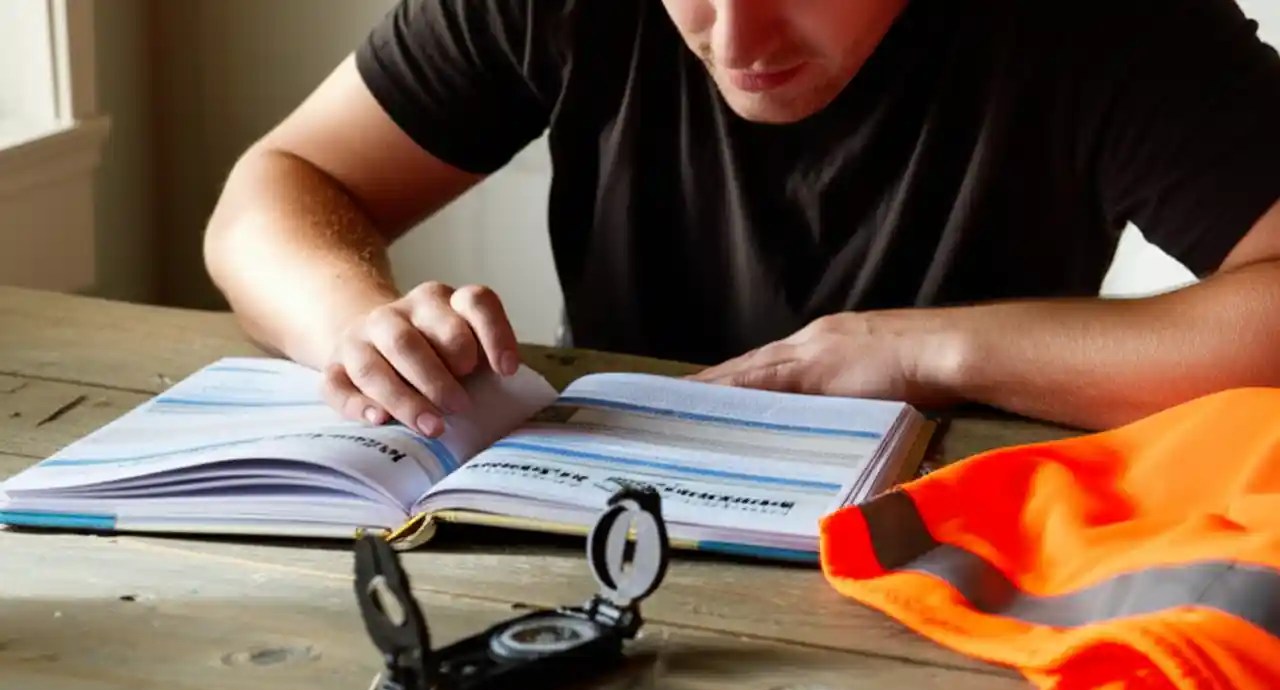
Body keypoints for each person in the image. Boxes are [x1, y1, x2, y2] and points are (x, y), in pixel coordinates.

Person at [204, 0, 1280, 438]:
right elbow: (282, 182)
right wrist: (355, 321)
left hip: (967, 536)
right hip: (601, 516)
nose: (735, 37)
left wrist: (931, 350)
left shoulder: (1108, 19)